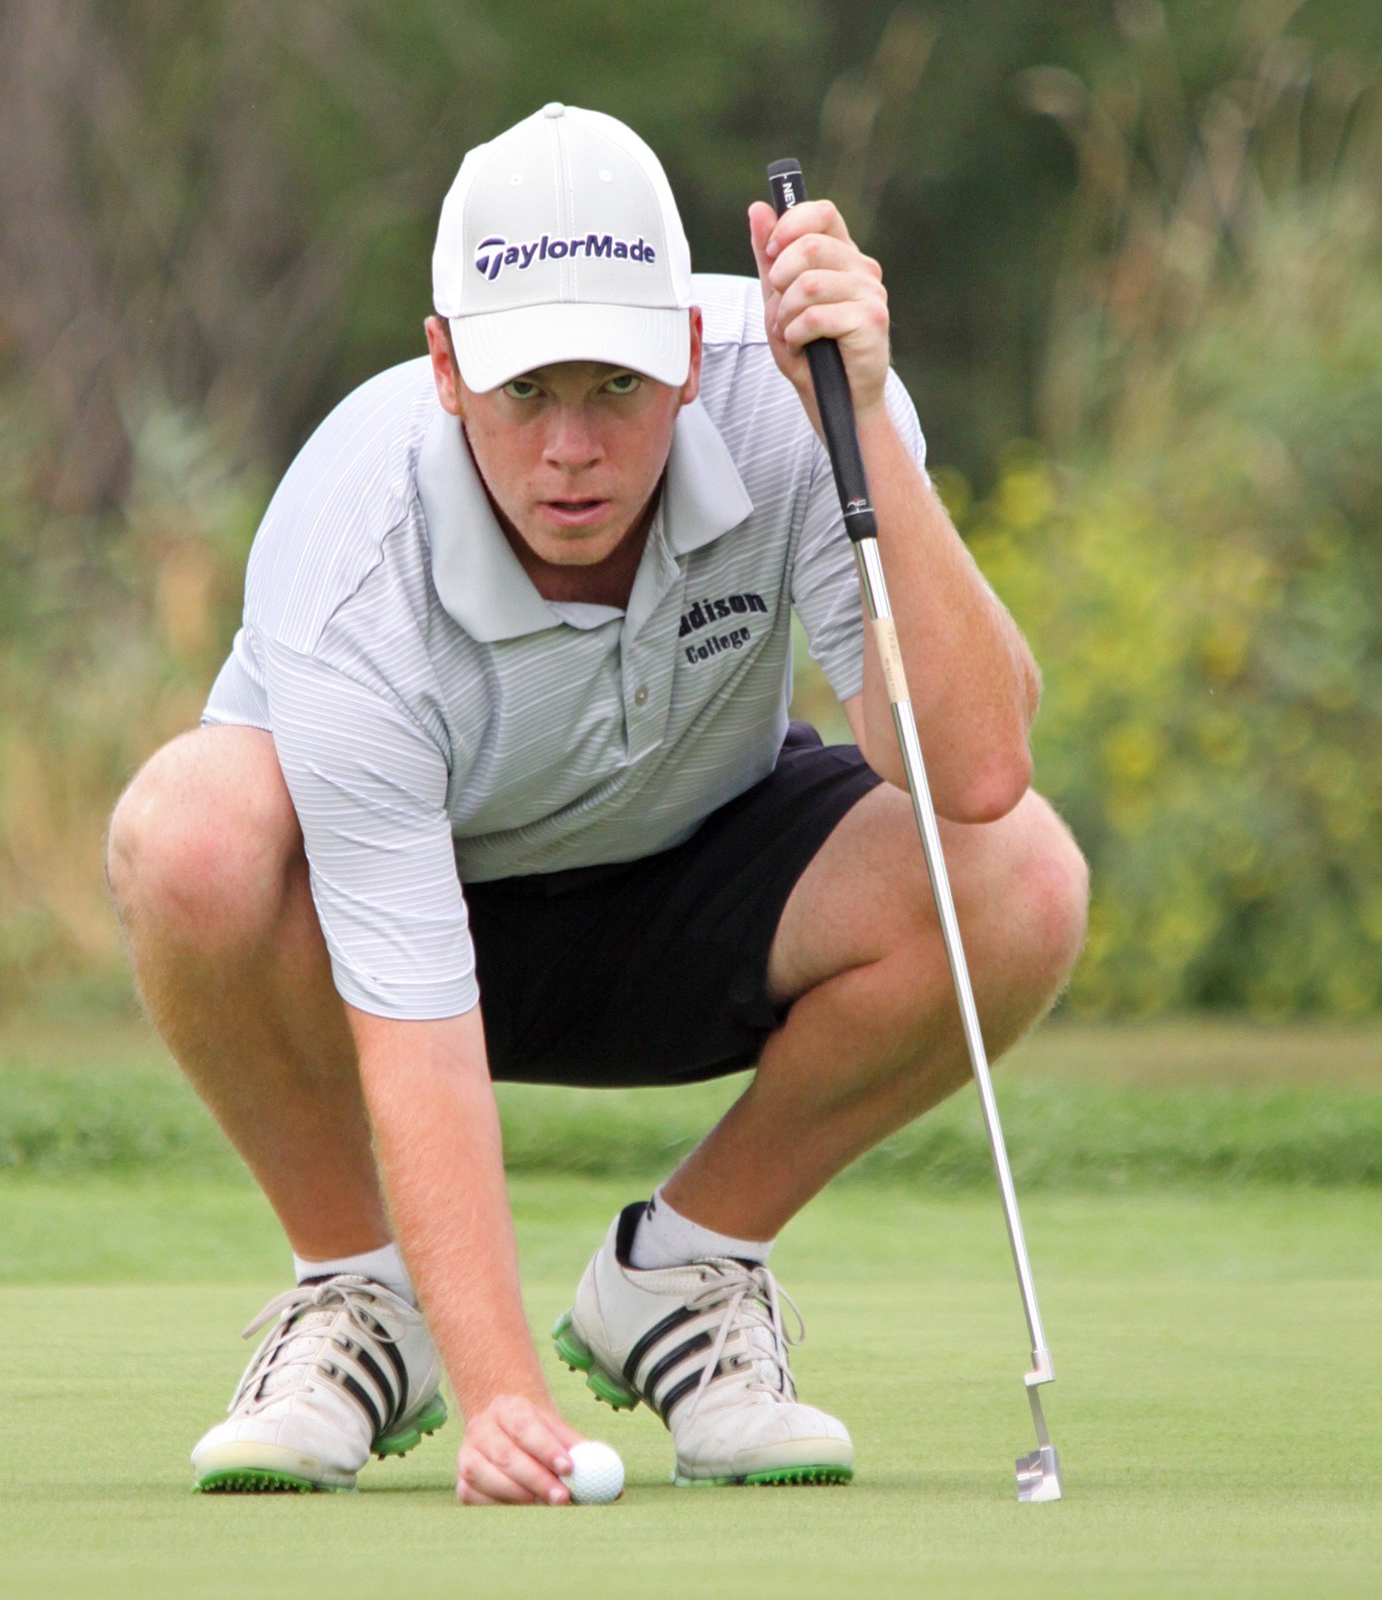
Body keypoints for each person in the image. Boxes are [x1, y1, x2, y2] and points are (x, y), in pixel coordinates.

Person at [105, 103, 1087, 1505]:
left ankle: (682, 1274)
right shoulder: (350, 541)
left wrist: (864, 417)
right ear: (447, 368)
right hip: (410, 923)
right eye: (527, 393)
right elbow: (416, 1024)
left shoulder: (794, 390)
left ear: (687, 352)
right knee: (188, 833)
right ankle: (360, 1295)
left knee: (1021, 877)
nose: (571, 449)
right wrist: (503, 1394)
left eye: (617, 386)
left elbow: (975, 767)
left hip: (697, 865)